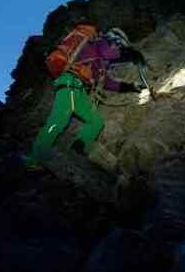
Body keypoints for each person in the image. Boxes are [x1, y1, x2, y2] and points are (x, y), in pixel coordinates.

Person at [26, 26, 139, 167]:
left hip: (78, 89)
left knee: (96, 122)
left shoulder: (97, 62)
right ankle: (34, 159)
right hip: (69, 83)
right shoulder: (97, 43)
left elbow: (107, 83)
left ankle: (77, 149)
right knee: (57, 121)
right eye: (116, 44)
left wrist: (130, 86)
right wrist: (126, 53)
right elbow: (107, 52)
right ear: (112, 39)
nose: (116, 47)